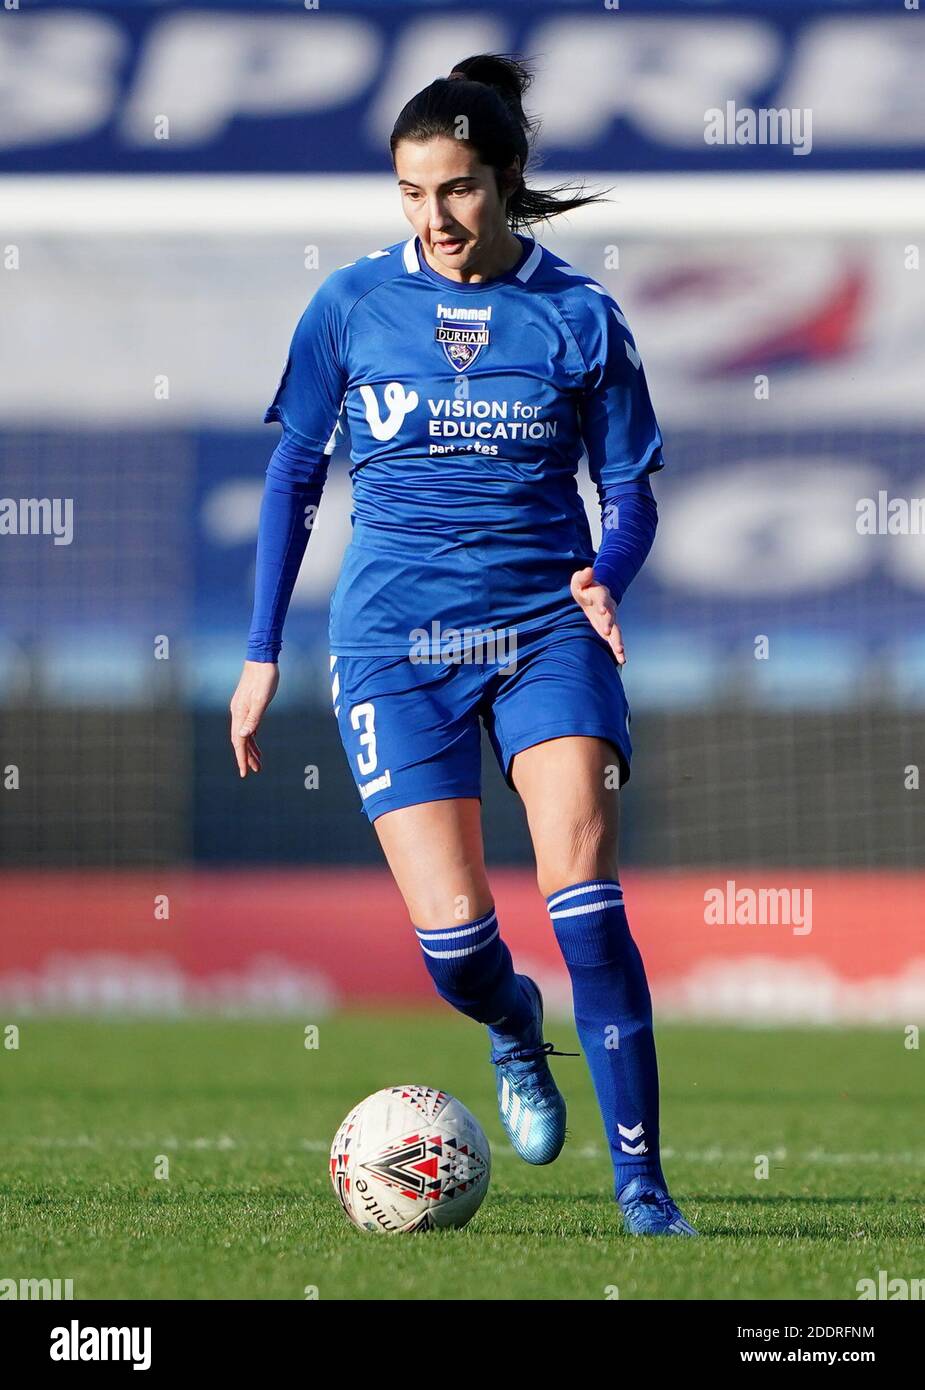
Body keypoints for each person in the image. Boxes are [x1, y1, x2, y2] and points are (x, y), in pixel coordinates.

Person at [230, 53, 697, 1237]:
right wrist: (259, 648)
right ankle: (506, 1025)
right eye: (410, 191)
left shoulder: (582, 318)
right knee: (455, 949)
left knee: (586, 902)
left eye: (458, 189)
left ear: (506, 179)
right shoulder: (348, 305)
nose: (434, 217)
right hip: (393, 642)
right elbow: (292, 474)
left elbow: (632, 485)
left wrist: (609, 575)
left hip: (545, 629)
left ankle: (643, 1189)